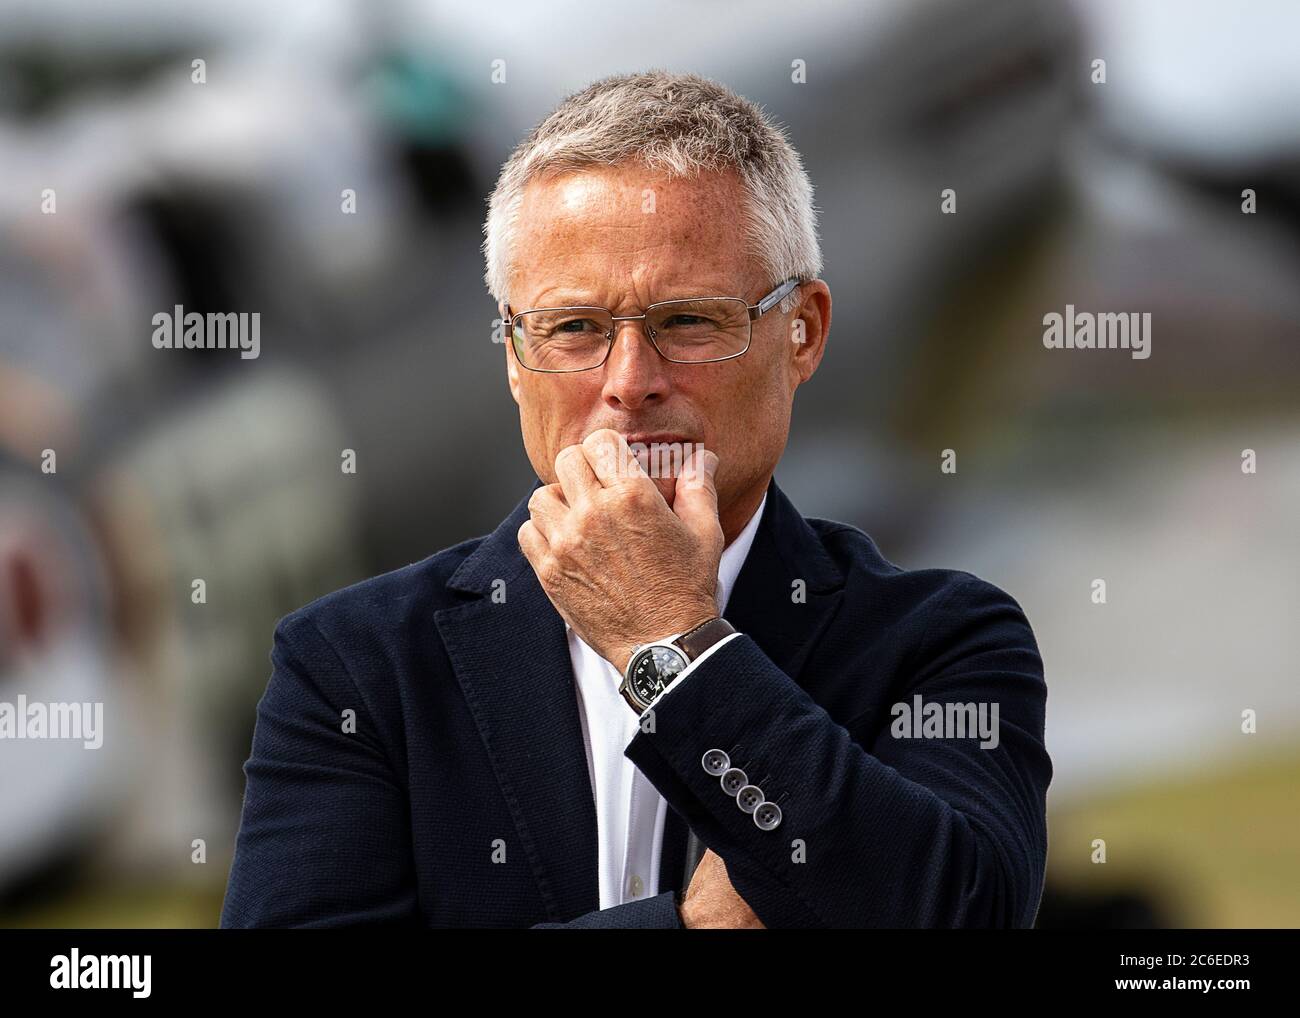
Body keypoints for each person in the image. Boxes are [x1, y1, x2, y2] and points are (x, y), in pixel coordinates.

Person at [220, 70, 1051, 929]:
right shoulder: (352, 665)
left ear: (802, 332)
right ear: (512, 353)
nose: (628, 383)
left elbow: (967, 915)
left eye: (689, 321)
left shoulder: (945, 641)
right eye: (574, 327)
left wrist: (670, 642)